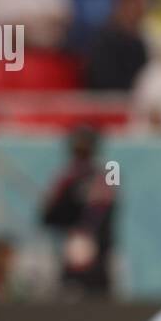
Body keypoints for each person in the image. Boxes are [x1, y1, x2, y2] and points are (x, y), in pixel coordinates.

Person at [40, 124, 117, 295]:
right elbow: (48, 216)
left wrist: (87, 234)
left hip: (97, 256)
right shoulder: (66, 179)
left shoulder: (105, 178)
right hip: (71, 254)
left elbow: (107, 214)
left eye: (85, 147)